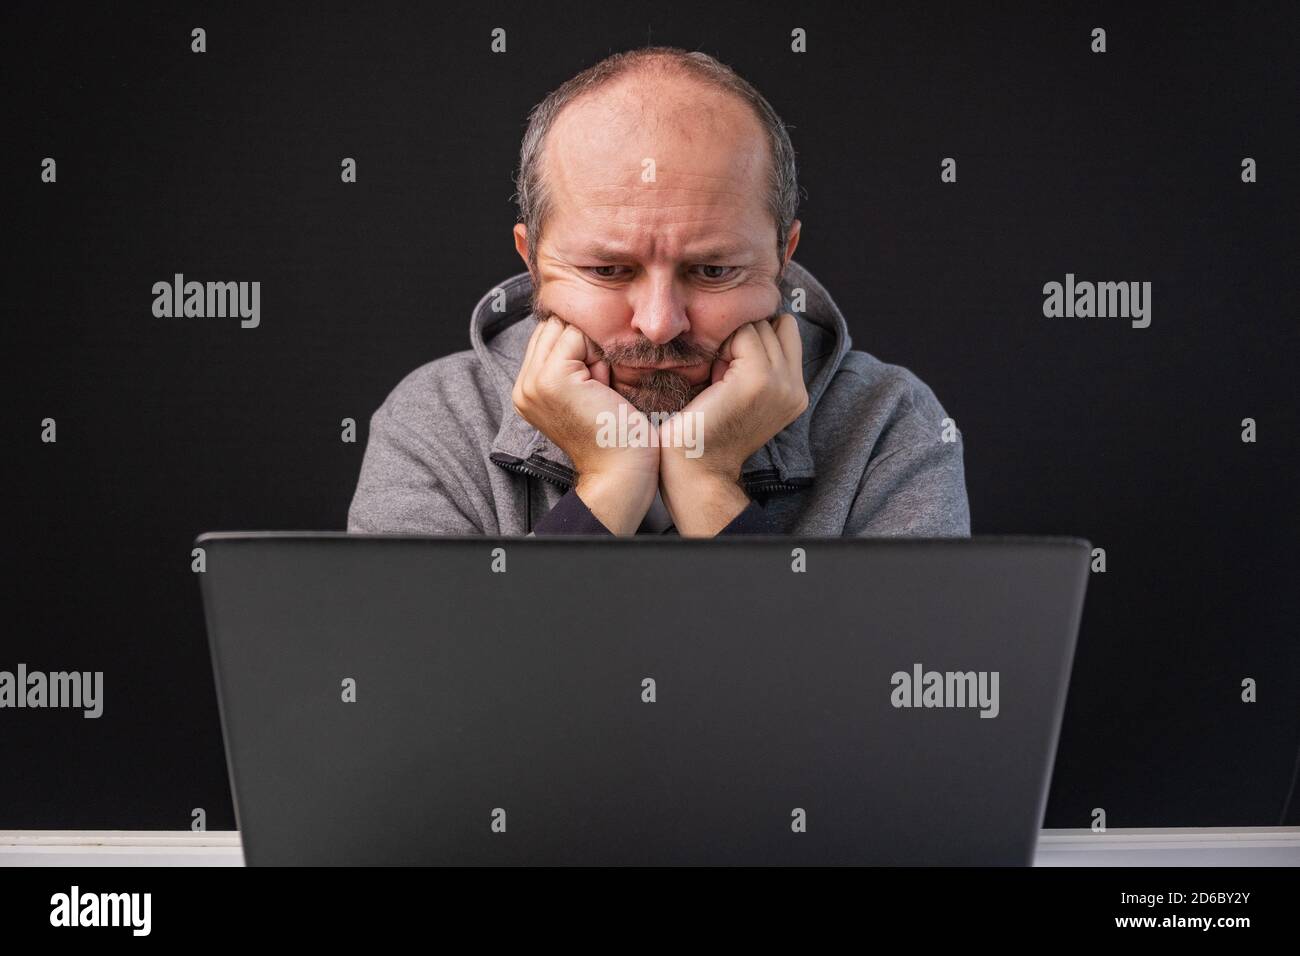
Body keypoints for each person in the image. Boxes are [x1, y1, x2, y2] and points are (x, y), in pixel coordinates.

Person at [348, 47, 970, 537]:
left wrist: (708, 480)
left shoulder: (889, 426)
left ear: (782, 259)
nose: (659, 324)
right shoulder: (436, 422)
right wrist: (608, 484)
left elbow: (886, 697)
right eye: (608, 271)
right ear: (533, 263)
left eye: (714, 272)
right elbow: (430, 695)